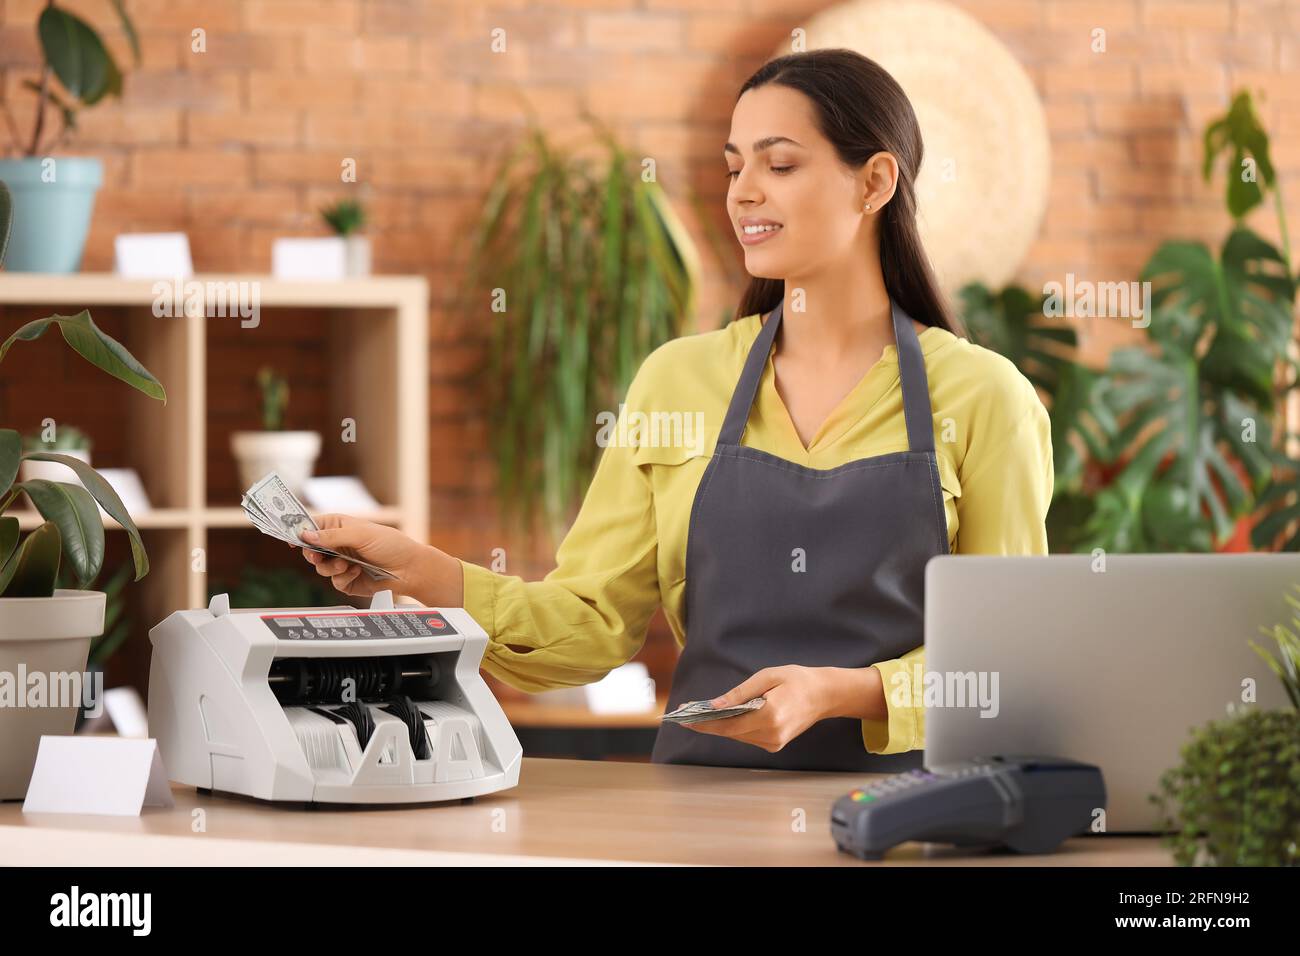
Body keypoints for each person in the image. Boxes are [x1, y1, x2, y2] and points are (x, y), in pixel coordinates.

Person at [294, 48, 1053, 772]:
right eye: (734, 167)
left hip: (910, 816)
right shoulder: (678, 381)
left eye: (779, 164)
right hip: (702, 803)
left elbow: (1007, 658)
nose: (743, 191)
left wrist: (844, 694)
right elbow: (592, 623)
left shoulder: (985, 399)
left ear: (875, 182)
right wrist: (424, 572)